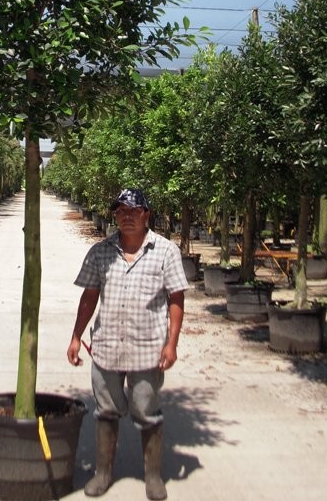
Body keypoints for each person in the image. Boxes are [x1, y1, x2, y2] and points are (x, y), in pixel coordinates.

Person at [67, 188, 188, 500]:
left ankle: (153, 476)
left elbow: (176, 298)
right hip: (106, 348)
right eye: (121, 211)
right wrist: (76, 336)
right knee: (106, 411)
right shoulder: (100, 252)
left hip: (147, 349)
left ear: (146, 214)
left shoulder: (165, 251)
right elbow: (89, 296)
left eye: (133, 211)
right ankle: (103, 473)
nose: (127, 217)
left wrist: (171, 344)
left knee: (146, 410)